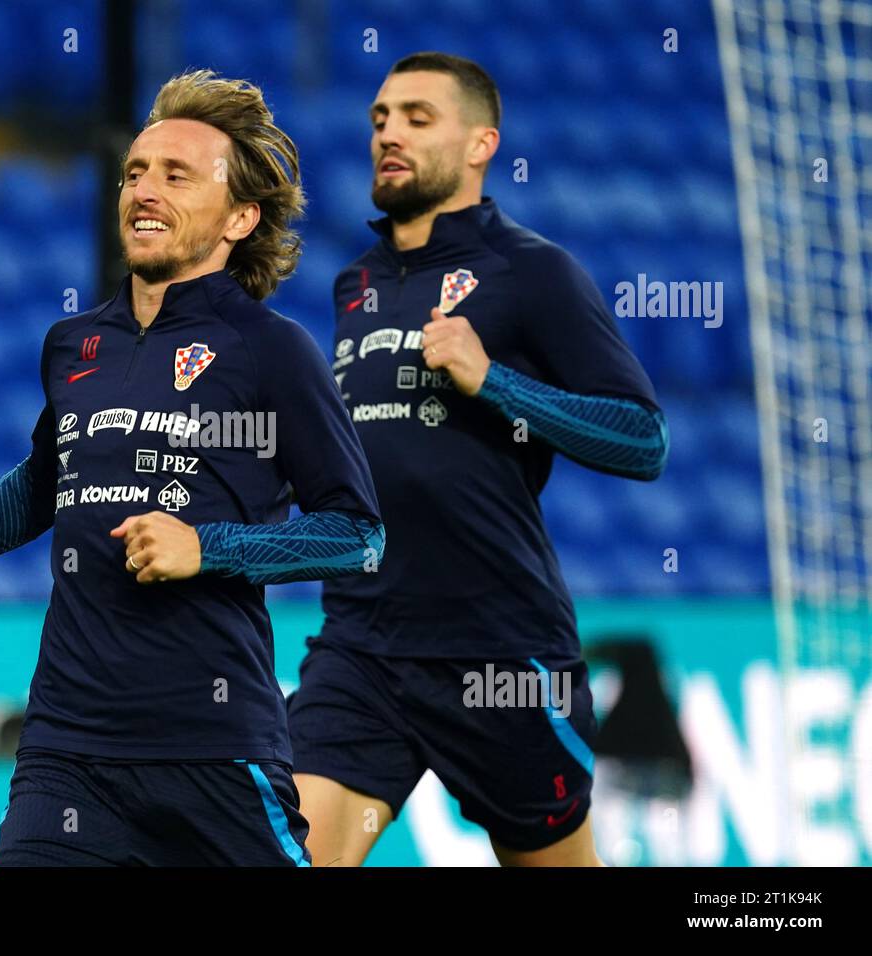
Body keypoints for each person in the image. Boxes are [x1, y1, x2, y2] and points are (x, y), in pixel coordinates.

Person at [0, 70, 384, 867]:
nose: (144, 188)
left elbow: (357, 536)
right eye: (135, 171)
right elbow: (40, 484)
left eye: (175, 174)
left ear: (240, 217)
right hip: (70, 751)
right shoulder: (75, 345)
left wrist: (209, 548)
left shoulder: (272, 353)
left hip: (212, 748)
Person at [288, 52, 668, 866]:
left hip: (502, 657)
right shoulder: (354, 284)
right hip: (363, 647)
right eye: (380, 119)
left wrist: (493, 381)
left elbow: (642, 439)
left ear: (479, 144)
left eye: (418, 118)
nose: (389, 133)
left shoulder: (532, 273)